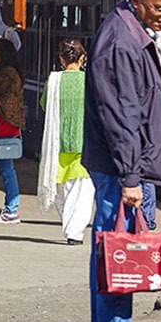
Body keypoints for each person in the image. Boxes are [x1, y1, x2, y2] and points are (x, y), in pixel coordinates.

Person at [82, 0, 161, 322]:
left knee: (119, 245)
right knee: (116, 248)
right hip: (121, 166)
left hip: (127, 163)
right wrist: (130, 176)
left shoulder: (134, 30)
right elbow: (121, 114)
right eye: (160, 7)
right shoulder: (123, 41)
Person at [36, 39, 94, 244]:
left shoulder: (53, 81)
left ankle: (70, 227)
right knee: (82, 191)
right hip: (83, 145)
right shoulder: (89, 82)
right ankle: (74, 231)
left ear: (61, 59)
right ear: (82, 58)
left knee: (63, 190)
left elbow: (44, 106)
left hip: (57, 145)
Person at [0, 38, 24, 224]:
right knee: (7, 170)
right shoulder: (4, 74)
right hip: (5, 130)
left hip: (1, 130)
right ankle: (11, 209)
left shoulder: (7, 76)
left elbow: (7, 103)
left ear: (1, 56)